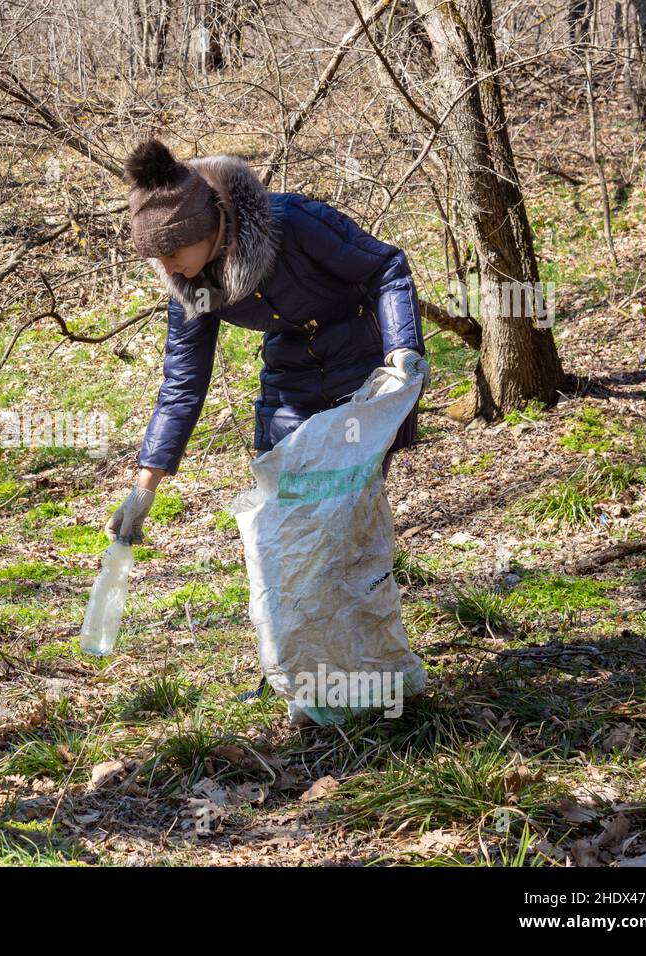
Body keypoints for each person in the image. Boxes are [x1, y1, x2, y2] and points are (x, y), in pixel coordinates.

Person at [105, 138, 429, 713]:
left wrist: (403, 351)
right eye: (155, 259)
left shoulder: (295, 222)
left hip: (363, 369)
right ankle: (292, 666)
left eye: (171, 252)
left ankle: (368, 667)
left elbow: (387, 268)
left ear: (209, 226)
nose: (165, 268)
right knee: (280, 530)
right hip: (291, 381)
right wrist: (143, 487)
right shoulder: (193, 285)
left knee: (342, 524)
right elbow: (183, 382)